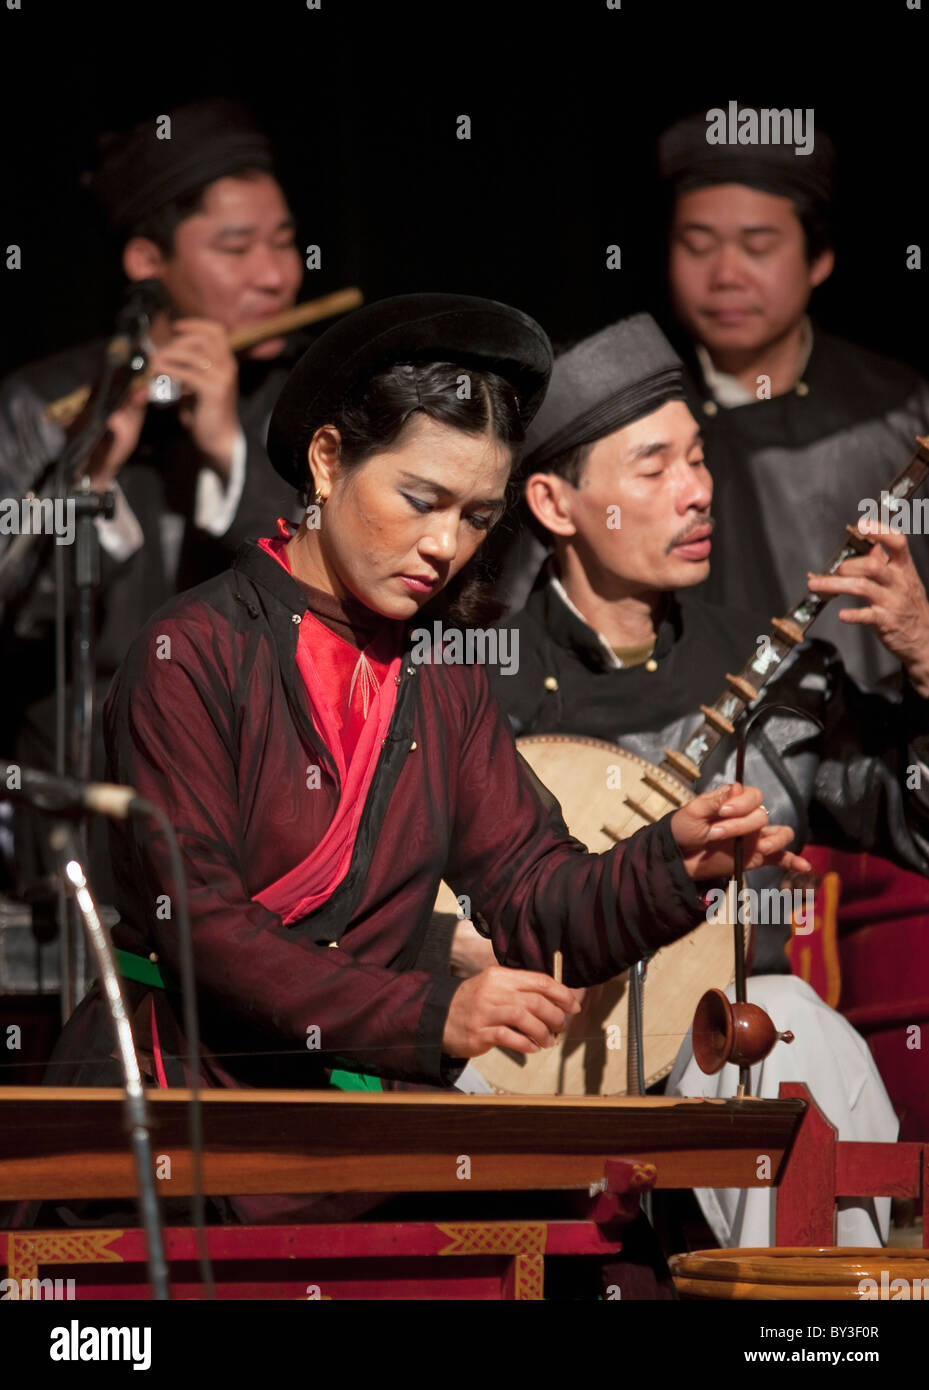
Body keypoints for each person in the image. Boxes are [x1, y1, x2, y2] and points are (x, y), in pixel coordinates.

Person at [40, 295, 805, 1243]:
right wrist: (432, 1010)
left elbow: (531, 893)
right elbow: (199, 927)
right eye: (420, 499)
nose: (446, 545)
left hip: (361, 1124)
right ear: (327, 460)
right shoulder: (192, 652)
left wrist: (671, 867)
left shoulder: (439, 670)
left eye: (478, 515)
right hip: (174, 1110)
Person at [469, 313, 927, 1247]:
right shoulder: (475, 688)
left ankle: (825, 1332)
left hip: (717, 1062)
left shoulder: (770, 667)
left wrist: (927, 660)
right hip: (527, 1067)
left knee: (790, 1021)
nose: (696, 493)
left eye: (698, 458)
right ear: (556, 507)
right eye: (653, 468)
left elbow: (912, 820)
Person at [0, 98, 307, 950]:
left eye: (283, 243)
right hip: (82, 824)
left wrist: (227, 457)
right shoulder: (43, 403)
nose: (276, 275)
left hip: (256, 820)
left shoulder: (306, 406)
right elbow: (16, 613)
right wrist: (90, 473)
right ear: (147, 258)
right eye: (236, 248)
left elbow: (321, 606)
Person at [657, 105, 929, 691]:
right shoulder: (632, 408)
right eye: (698, 244)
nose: (726, 274)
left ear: (820, 258)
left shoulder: (899, 412)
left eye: (758, 246)